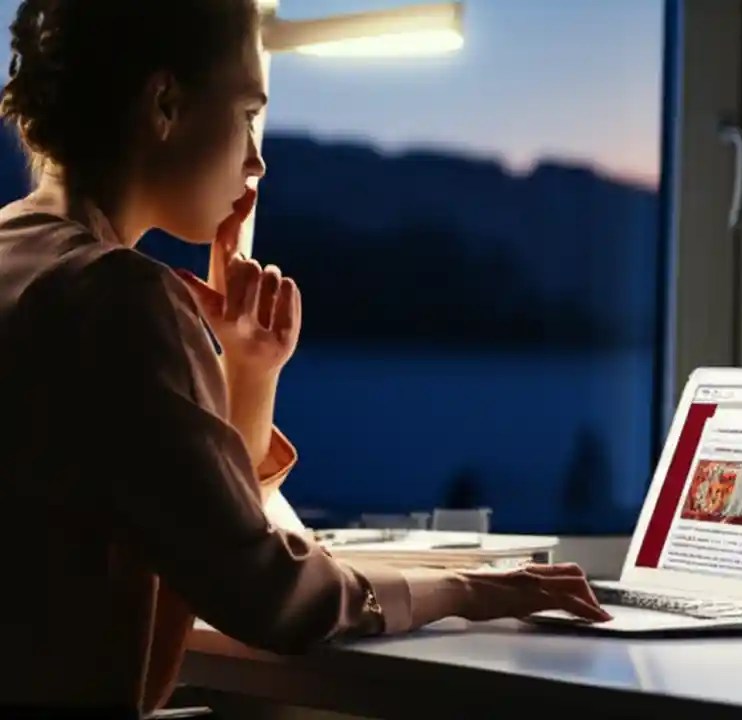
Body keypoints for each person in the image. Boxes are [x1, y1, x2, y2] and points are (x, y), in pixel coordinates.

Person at [0, 1, 610, 716]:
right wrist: (470, 590)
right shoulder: (119, 299)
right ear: (165, 104)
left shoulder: (23, 255)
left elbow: (203, 521)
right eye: (249, 113)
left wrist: (249, 374)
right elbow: (269, 595)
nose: (258, 158)